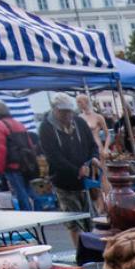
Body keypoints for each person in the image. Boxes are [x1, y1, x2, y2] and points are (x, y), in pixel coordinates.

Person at [38, 94, 98, 234]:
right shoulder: (46, 128)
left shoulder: (79, 122)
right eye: (63, 111)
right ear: (54, 110)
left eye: (69, 111)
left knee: (92, 221)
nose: (67, 114)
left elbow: (92, 146)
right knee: (74, 225)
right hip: (64, 183)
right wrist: (77, 170)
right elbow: (54, 157)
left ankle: (94, 251)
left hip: (86, 181)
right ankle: (80, 253)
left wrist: (93, 158)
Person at [0, 100, 40, 210]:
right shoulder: (19, 124)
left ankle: (28, 217)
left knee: (20, 193)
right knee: (28, 190)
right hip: (25, 164)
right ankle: (38, 209)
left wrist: (0, 168)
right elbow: (30, 144)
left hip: (12, 166)